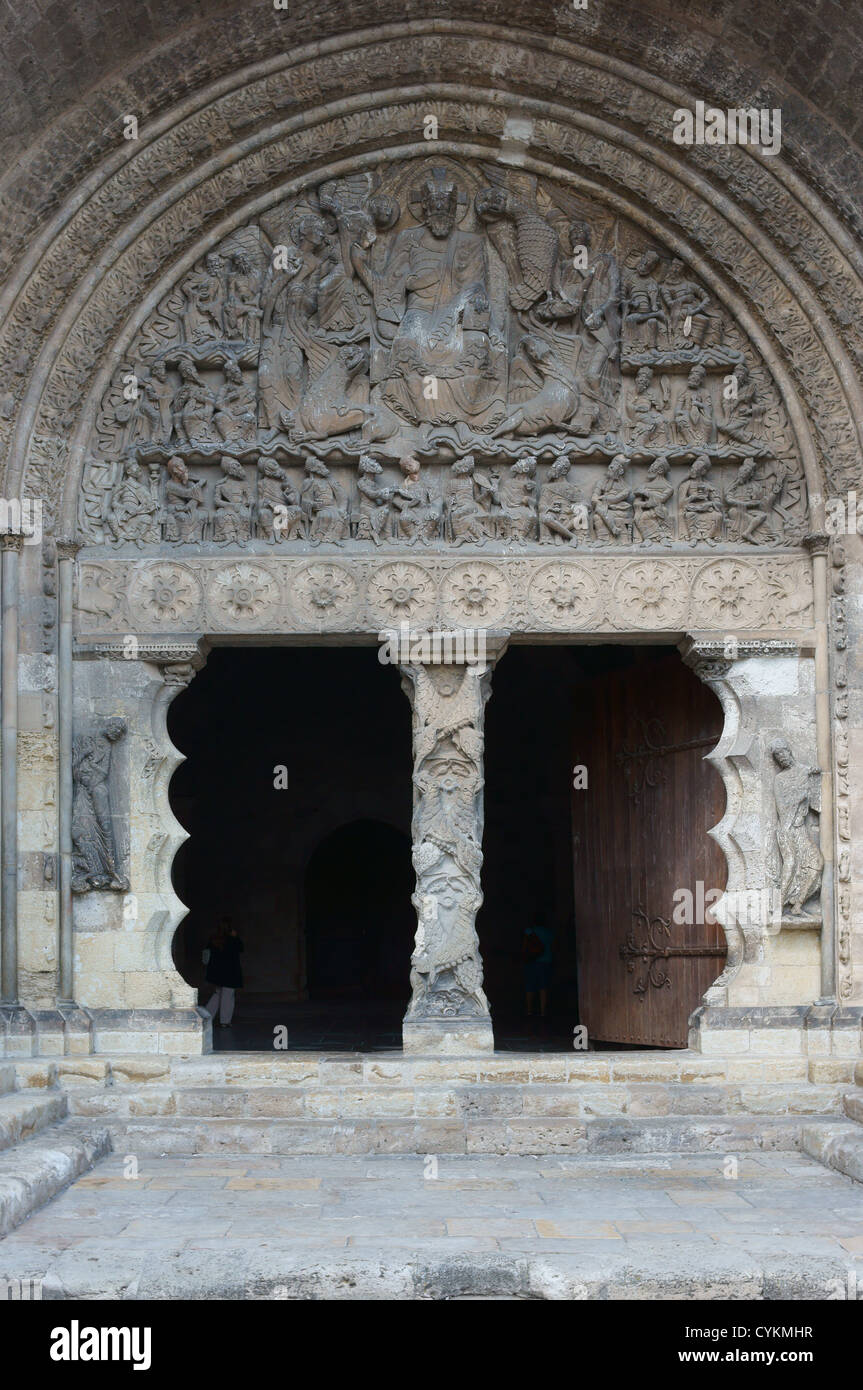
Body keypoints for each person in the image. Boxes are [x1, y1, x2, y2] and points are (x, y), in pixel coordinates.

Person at [204, 918, 244, 1027]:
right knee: (228, 995)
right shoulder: (232, 939)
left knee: (217, 995)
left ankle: (206, 1018)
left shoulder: (214, 938)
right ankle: (225, 1021)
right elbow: (241, 948)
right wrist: (236, 937)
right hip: (230, 972)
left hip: (217, 972)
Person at [523, 912, 553, 1019]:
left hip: (531, 962)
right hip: (546, 962)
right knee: (543, 987)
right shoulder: (549, 932)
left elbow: (525, 946)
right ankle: (543, 1012)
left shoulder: (529, 931)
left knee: (530, 987)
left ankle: (529, 1011)